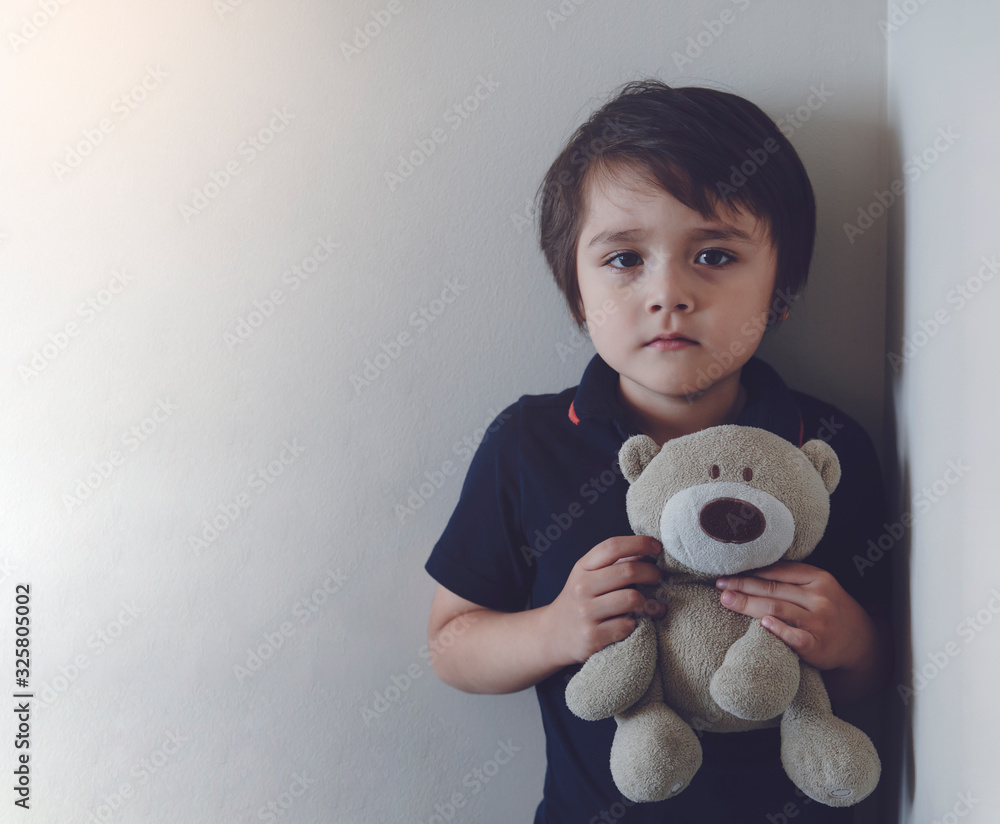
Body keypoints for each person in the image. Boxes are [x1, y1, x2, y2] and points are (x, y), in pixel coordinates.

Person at [424, 80, 893, 823]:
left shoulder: (826, 447)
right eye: (623, 260)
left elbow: (885, 669)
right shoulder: (531, 444)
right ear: (577, 292)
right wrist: (555, 629)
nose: (668, 292)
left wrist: (851, 640)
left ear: (782, 288)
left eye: (713, 254)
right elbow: (451, 644)